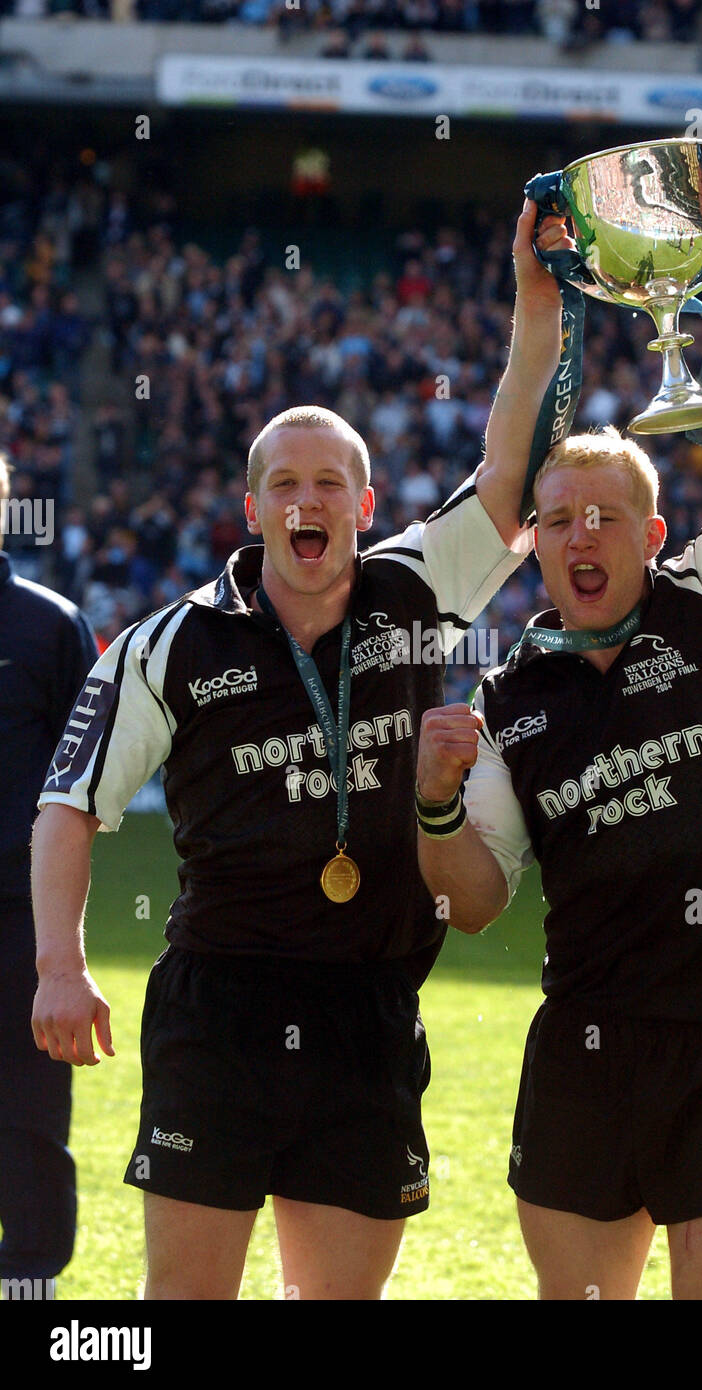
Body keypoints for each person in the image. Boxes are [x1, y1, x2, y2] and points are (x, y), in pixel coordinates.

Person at [28, 198, 574, 1300]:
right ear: (252, 508)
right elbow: (69, 802)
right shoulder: (167, 643)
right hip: (218, 1005)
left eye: (330, 483)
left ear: (367, 506)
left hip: (369, 1008)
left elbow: (517, 466)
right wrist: (59, 962)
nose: (307, 500)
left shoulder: (420, 584)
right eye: (285, 482)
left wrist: (536, 302)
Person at [416, 141, 702, 1300]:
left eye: (609, 515)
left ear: (654, 536)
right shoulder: (508, 698)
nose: (583, 534)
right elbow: (474, 901)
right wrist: (436, 803)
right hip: (587, 1046)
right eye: (558, 518)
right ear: (533, 543)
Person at [0, 454, 98, 1298]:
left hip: (18, 918)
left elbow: (82, 783)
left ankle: (30, 1281)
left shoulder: (49, 624)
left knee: (30, 1113)